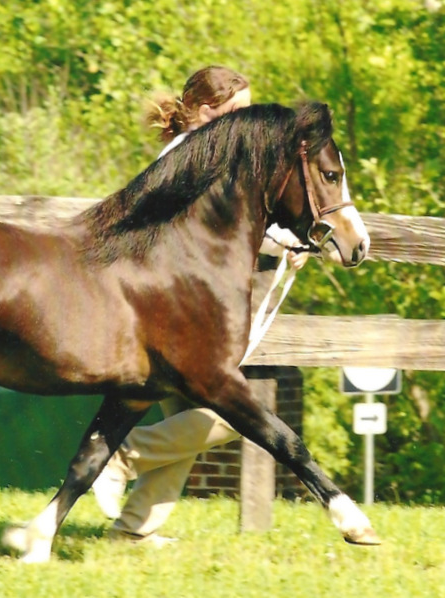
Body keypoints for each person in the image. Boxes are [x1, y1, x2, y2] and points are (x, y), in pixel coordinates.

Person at [91, 65, 309, 545]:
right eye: (239, 111)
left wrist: (280, 243)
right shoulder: (187, 154)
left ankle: (132, 532)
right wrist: (274, 244)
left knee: (186, 425)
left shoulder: (211, 153)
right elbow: (208, 223)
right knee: (228, 415)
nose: (247, 121)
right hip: (171, 316)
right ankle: (124, 456)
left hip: (183, 313)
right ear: (208, 111)